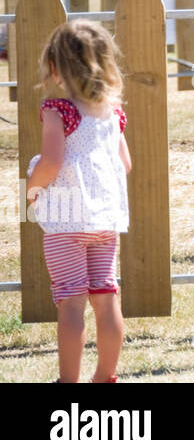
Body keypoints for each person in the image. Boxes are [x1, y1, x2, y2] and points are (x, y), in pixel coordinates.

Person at [26, 20, 131, 383]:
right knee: (106, 298)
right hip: (106, 220)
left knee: (71, 302)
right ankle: (105, 376)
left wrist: (32, 186)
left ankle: (67, 382)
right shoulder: (112, 112)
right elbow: (125, 165)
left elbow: (52, 162)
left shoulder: (59, 110)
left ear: (55, 68)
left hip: (67, 221)